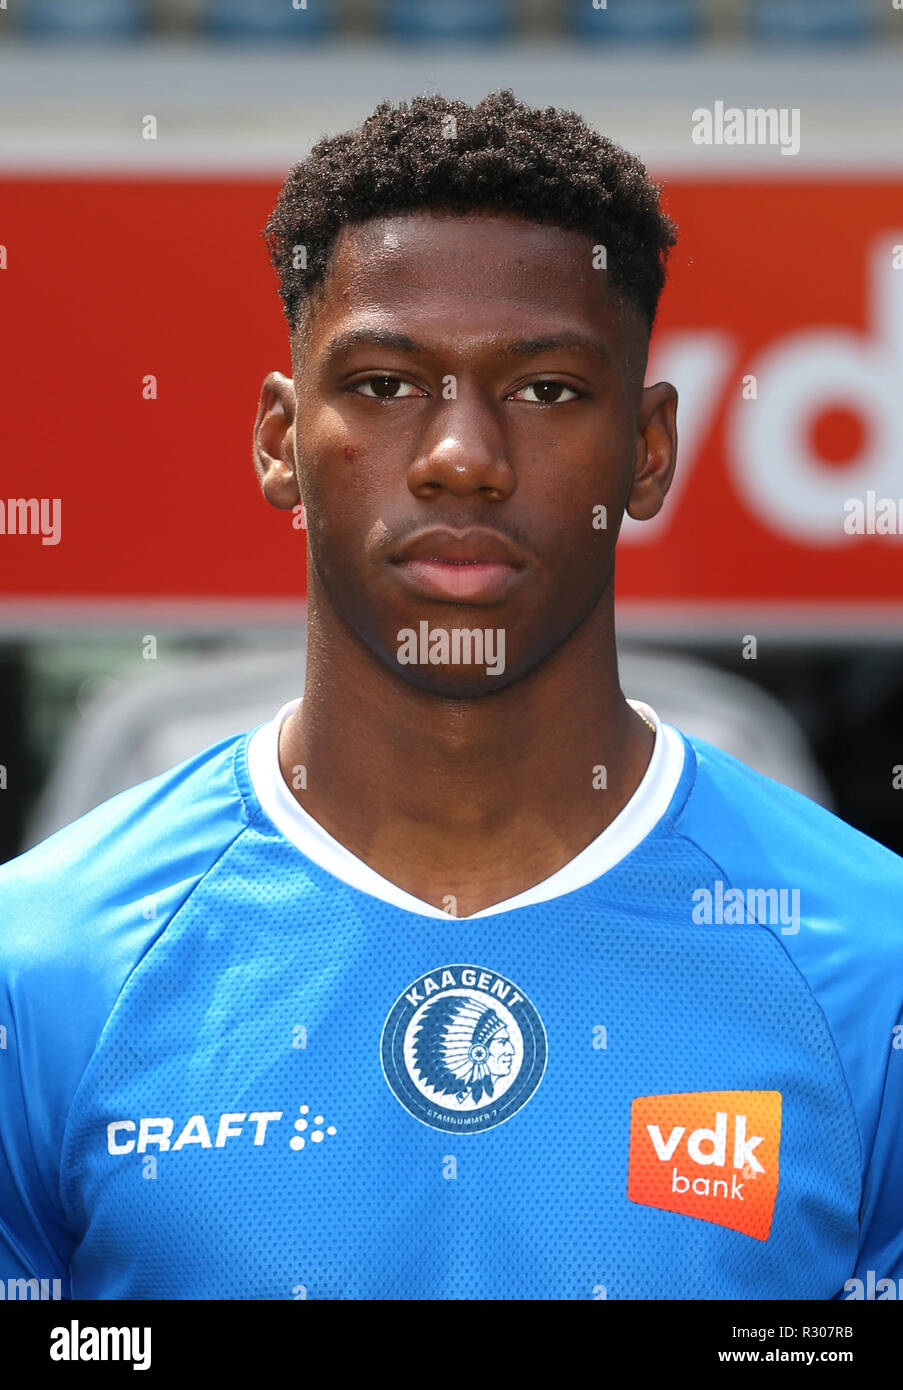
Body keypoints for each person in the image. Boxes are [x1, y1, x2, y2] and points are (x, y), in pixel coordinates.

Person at [1, 90, 900, 1301]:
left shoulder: (867, 960)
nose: (461, 454)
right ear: (279, 439)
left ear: (647, 448)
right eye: (382, 383)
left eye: (544, 390)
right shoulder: (44, 966)